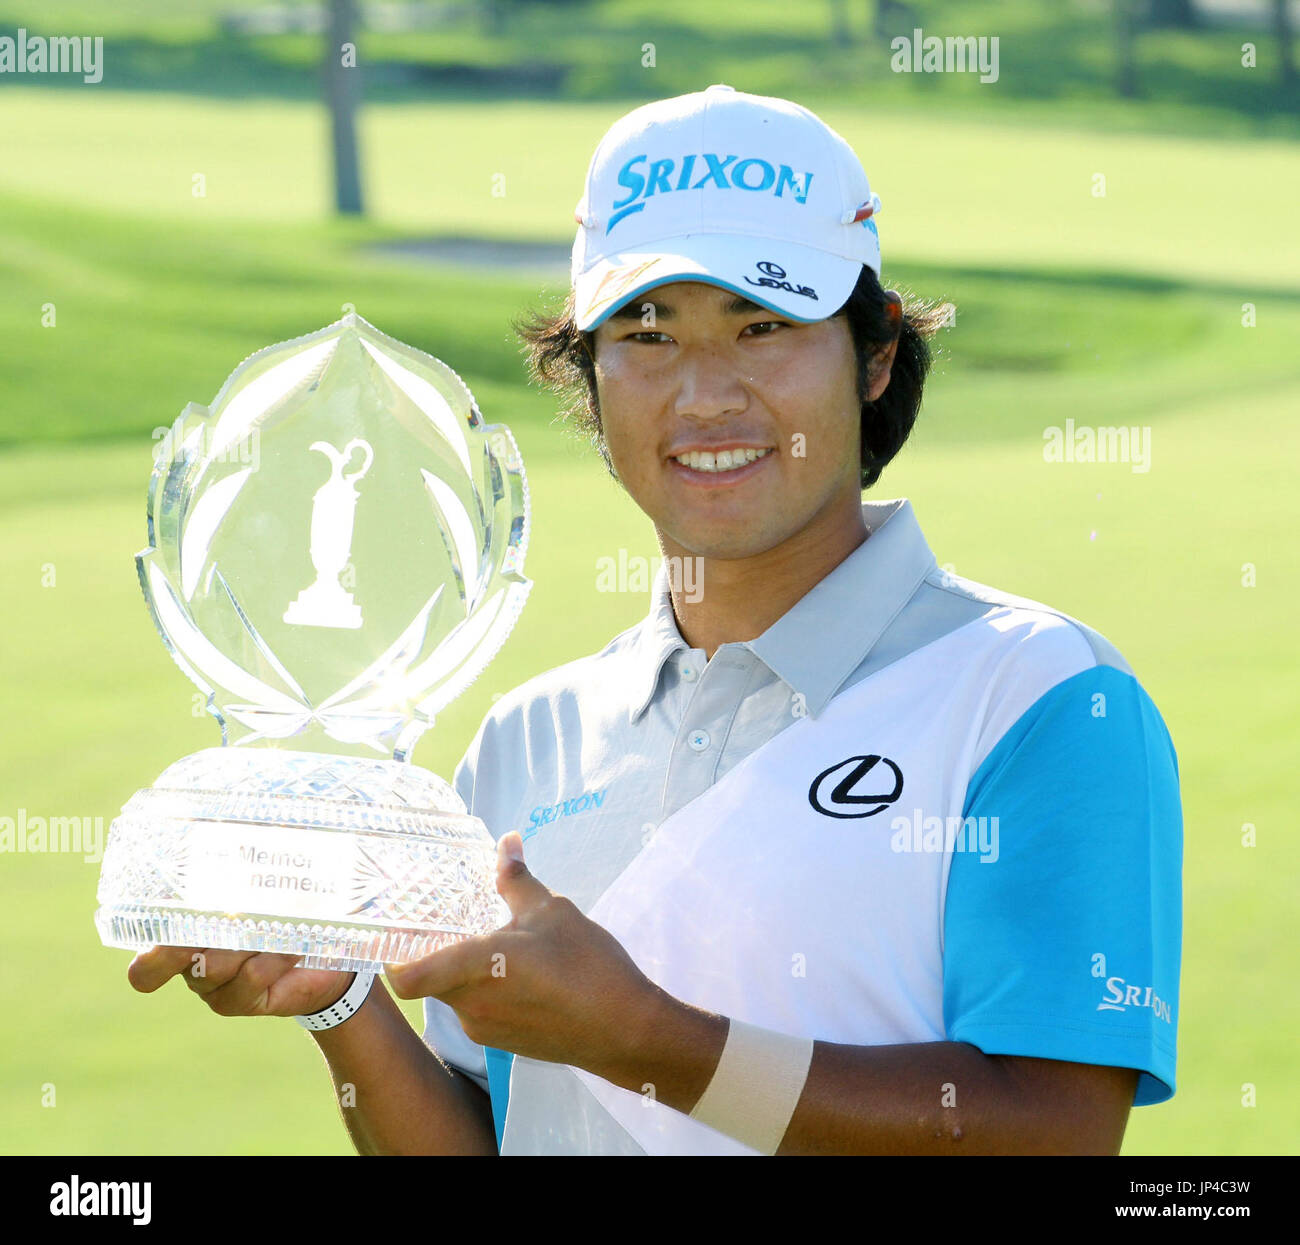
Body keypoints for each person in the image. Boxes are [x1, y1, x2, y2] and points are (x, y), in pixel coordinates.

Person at [129, 84, 1181, 1156]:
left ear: (873, 357)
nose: (704, 395)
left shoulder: (1036, 696)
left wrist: (645, 1039)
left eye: (762, 325)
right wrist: (342, 1001)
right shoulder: (525, 738)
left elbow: (1052, 1136)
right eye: (646, 332)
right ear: (586, 374)